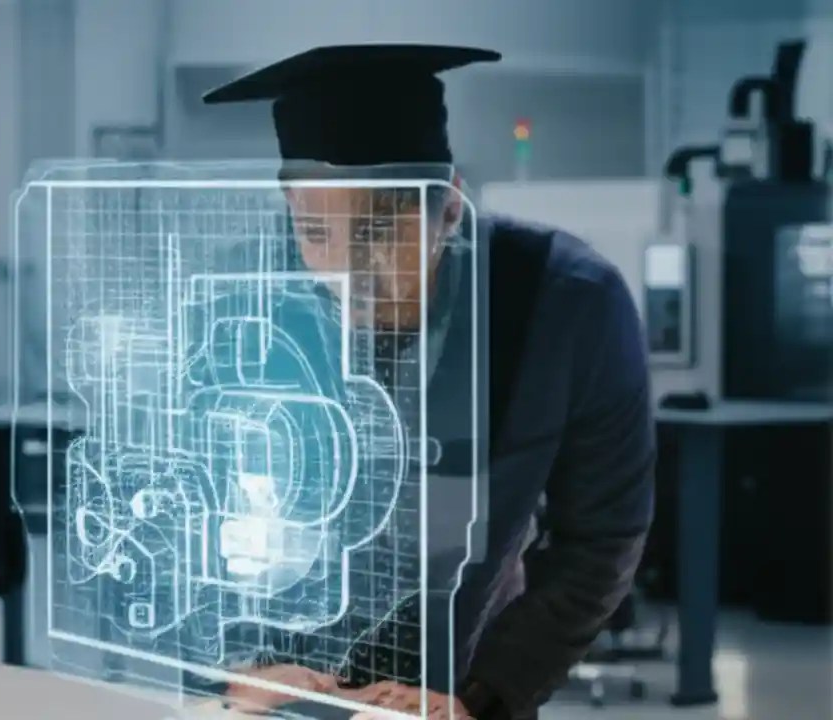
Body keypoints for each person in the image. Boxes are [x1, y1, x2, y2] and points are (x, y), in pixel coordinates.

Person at [197, 44, 656, 720]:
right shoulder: (244, 293)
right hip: (278, 689)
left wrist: (477, 698)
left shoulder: (564, 301)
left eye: (381, 232)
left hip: (461, 679)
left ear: (449, 210)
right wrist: (238, 667)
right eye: (317, 232)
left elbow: (603, 539)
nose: (351, 273)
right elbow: (188, 503)